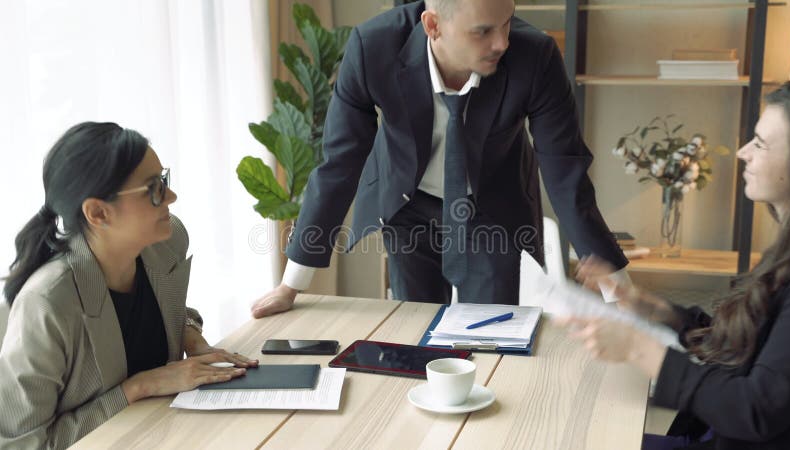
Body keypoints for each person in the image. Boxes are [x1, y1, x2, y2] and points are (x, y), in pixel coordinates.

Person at [251, 0, 628, 317]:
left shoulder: (536, 57)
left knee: (490, 336)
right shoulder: (373, 48)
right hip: (408, 205)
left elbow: (566, 174)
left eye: (507, 22)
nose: (502, 42)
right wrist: (291, 284)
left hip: (491, 208)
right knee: (415, 333)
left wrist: (620, 293)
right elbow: (339, 163)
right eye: (483, 31)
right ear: (433, 25)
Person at [562, 81, 790, 449]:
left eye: (761, 143)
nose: (742, 152)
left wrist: (640, 348)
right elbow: (748, 347)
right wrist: (657, 310)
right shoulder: (786, 252)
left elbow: (756, 408)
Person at [0, 122, 258, 449]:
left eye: (163, 180)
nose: (172, 197)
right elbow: (23, 444)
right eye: (153, 189)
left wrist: (190, 336)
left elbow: (172, 310)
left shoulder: (166, 241)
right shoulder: (47, 302)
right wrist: (137, 388)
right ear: (98, 212)